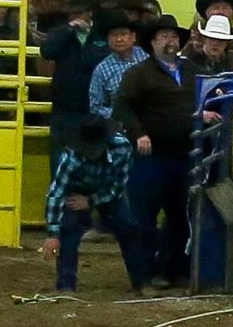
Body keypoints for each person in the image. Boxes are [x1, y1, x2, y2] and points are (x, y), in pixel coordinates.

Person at [114, 15, 222, 290]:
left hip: (184, 154)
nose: (169, 41)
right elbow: (123, 107)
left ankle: (174, 270)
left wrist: (210, 107)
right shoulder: (138, 74)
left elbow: (212, 93)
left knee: (180, 217)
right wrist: (138, 134)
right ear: (152, 42)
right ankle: (144, 276)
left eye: (173, 37)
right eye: (163, 36)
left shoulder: (192, 71)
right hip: (152, 156)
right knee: (144, 218)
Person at [40, 115, 152, 294]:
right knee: (68, 230)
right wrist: (53, 233)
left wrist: (92, 200)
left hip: (107, 191)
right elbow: (57, 193)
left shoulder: (122, 148)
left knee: (130, 228)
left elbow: (119, 184)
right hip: (77, 193)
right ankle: (66, 285)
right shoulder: (70, 157)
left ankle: (141, 282)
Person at [39, 0, 108, 170]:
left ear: (89, 13)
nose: (74, 17)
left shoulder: (101, 35)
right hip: (64, 107)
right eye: (72, 14)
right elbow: (47, 51)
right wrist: (68, 29)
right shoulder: (61, 34)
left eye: (79, 13)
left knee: (90, 160)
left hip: (92, 109)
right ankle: (59, 195)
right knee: (59, 160)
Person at [86, 13, 147, 119]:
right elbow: (95, 106)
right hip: (120, 127)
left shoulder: (147, 58)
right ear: (107, 39)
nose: (119, 39)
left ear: (133, 37)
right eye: (114, 35)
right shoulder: (102, 69)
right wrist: (119, 115)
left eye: (123, 34)